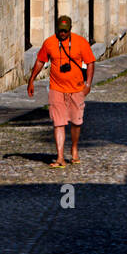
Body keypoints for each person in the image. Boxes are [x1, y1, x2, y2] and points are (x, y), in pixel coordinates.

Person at [27, 14, 95, 167]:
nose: (62, 33)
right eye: (60, 31)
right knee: (59, 123)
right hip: (56, 88)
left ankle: (74, 147)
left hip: (76, 89)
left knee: (76, 122)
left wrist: (88, 84)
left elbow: (90, 62)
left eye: (65, 31)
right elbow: (40, 61)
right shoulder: (50, 43)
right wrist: (31, 80)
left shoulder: (80, 42)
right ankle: (60, 157)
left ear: (70, 30)